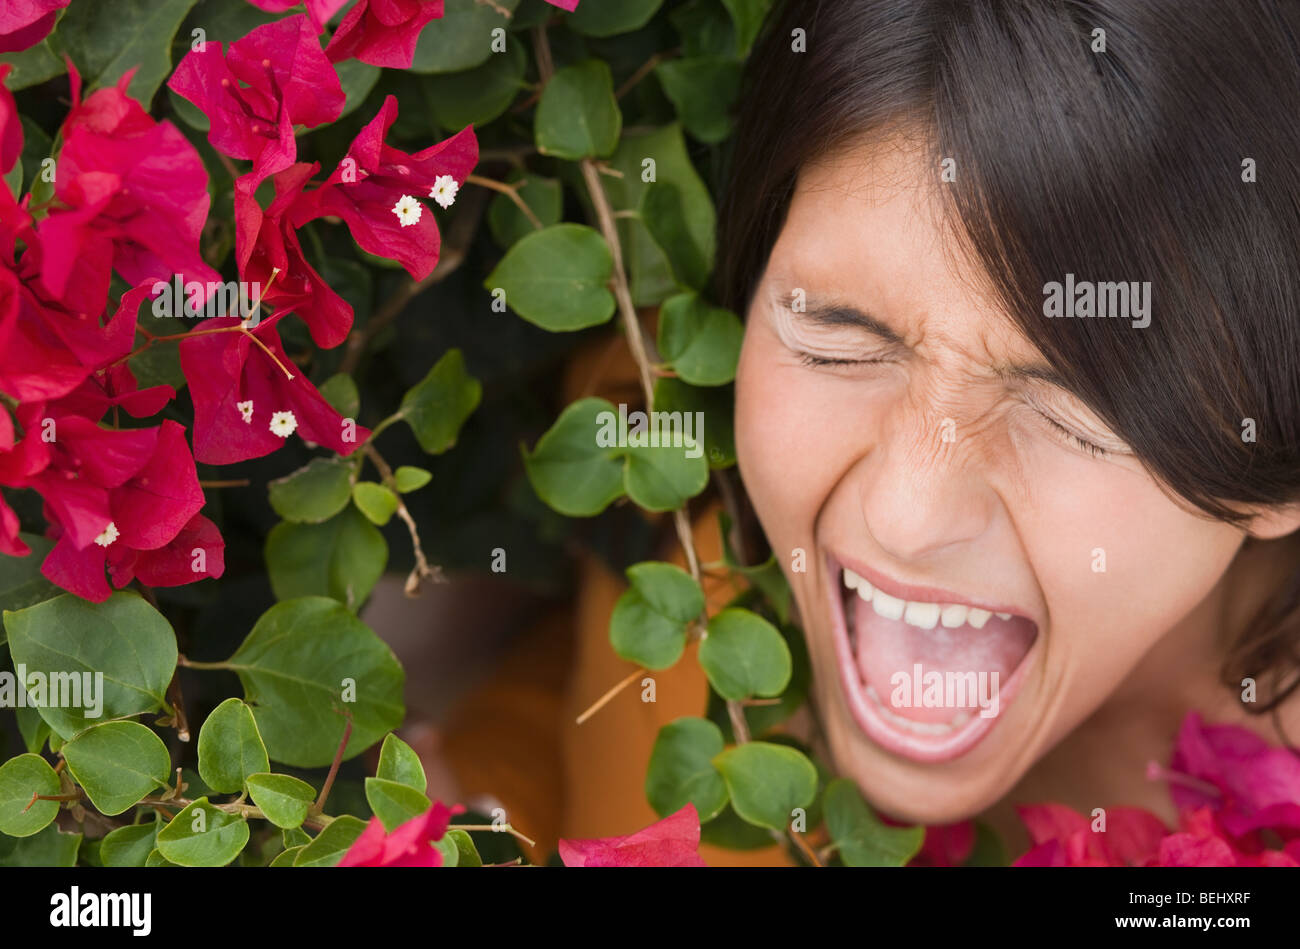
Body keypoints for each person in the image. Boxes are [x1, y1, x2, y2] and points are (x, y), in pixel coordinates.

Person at [434, 0, 1300, 864]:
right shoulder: (651, 443)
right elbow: (567, 710)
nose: (905, 518)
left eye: (1073, 414)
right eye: (837, 345)